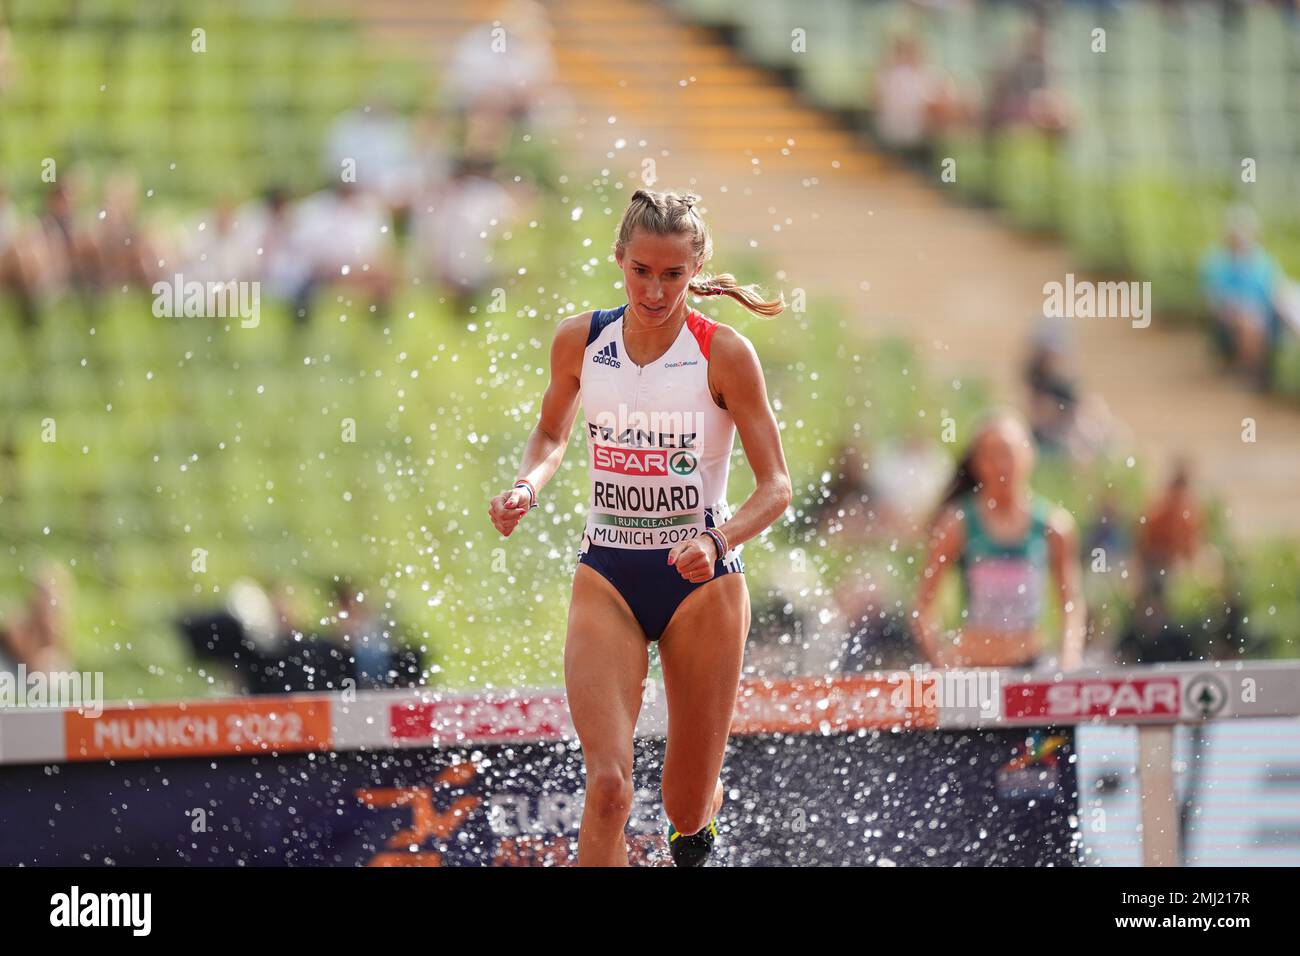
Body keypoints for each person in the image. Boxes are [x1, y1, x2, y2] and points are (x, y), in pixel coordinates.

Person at [488, 189, 791, 867]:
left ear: (695, 269)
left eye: (673, 274)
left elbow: (777, 487)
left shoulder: (725, 354)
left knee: (682, 808)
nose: (655, 290)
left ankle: (700, 812)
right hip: (610, 575)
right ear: (619, 260)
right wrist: (524, 485)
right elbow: (549, 432)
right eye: (642, 272)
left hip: (703, 587)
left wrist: (717, 540)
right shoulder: (580, 340)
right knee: (608, 789)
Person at [912, 410, 1085, 670]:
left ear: (1030, 456)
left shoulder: (1054, 527)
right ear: (977, 464)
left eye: (1009, 453)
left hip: (1030, 666)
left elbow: (1071, 603)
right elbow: (923, 606)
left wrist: (1068, 661)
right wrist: (939, 659)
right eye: (992, 455)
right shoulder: (956, 525)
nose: (1002, 465)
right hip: (973, 667)